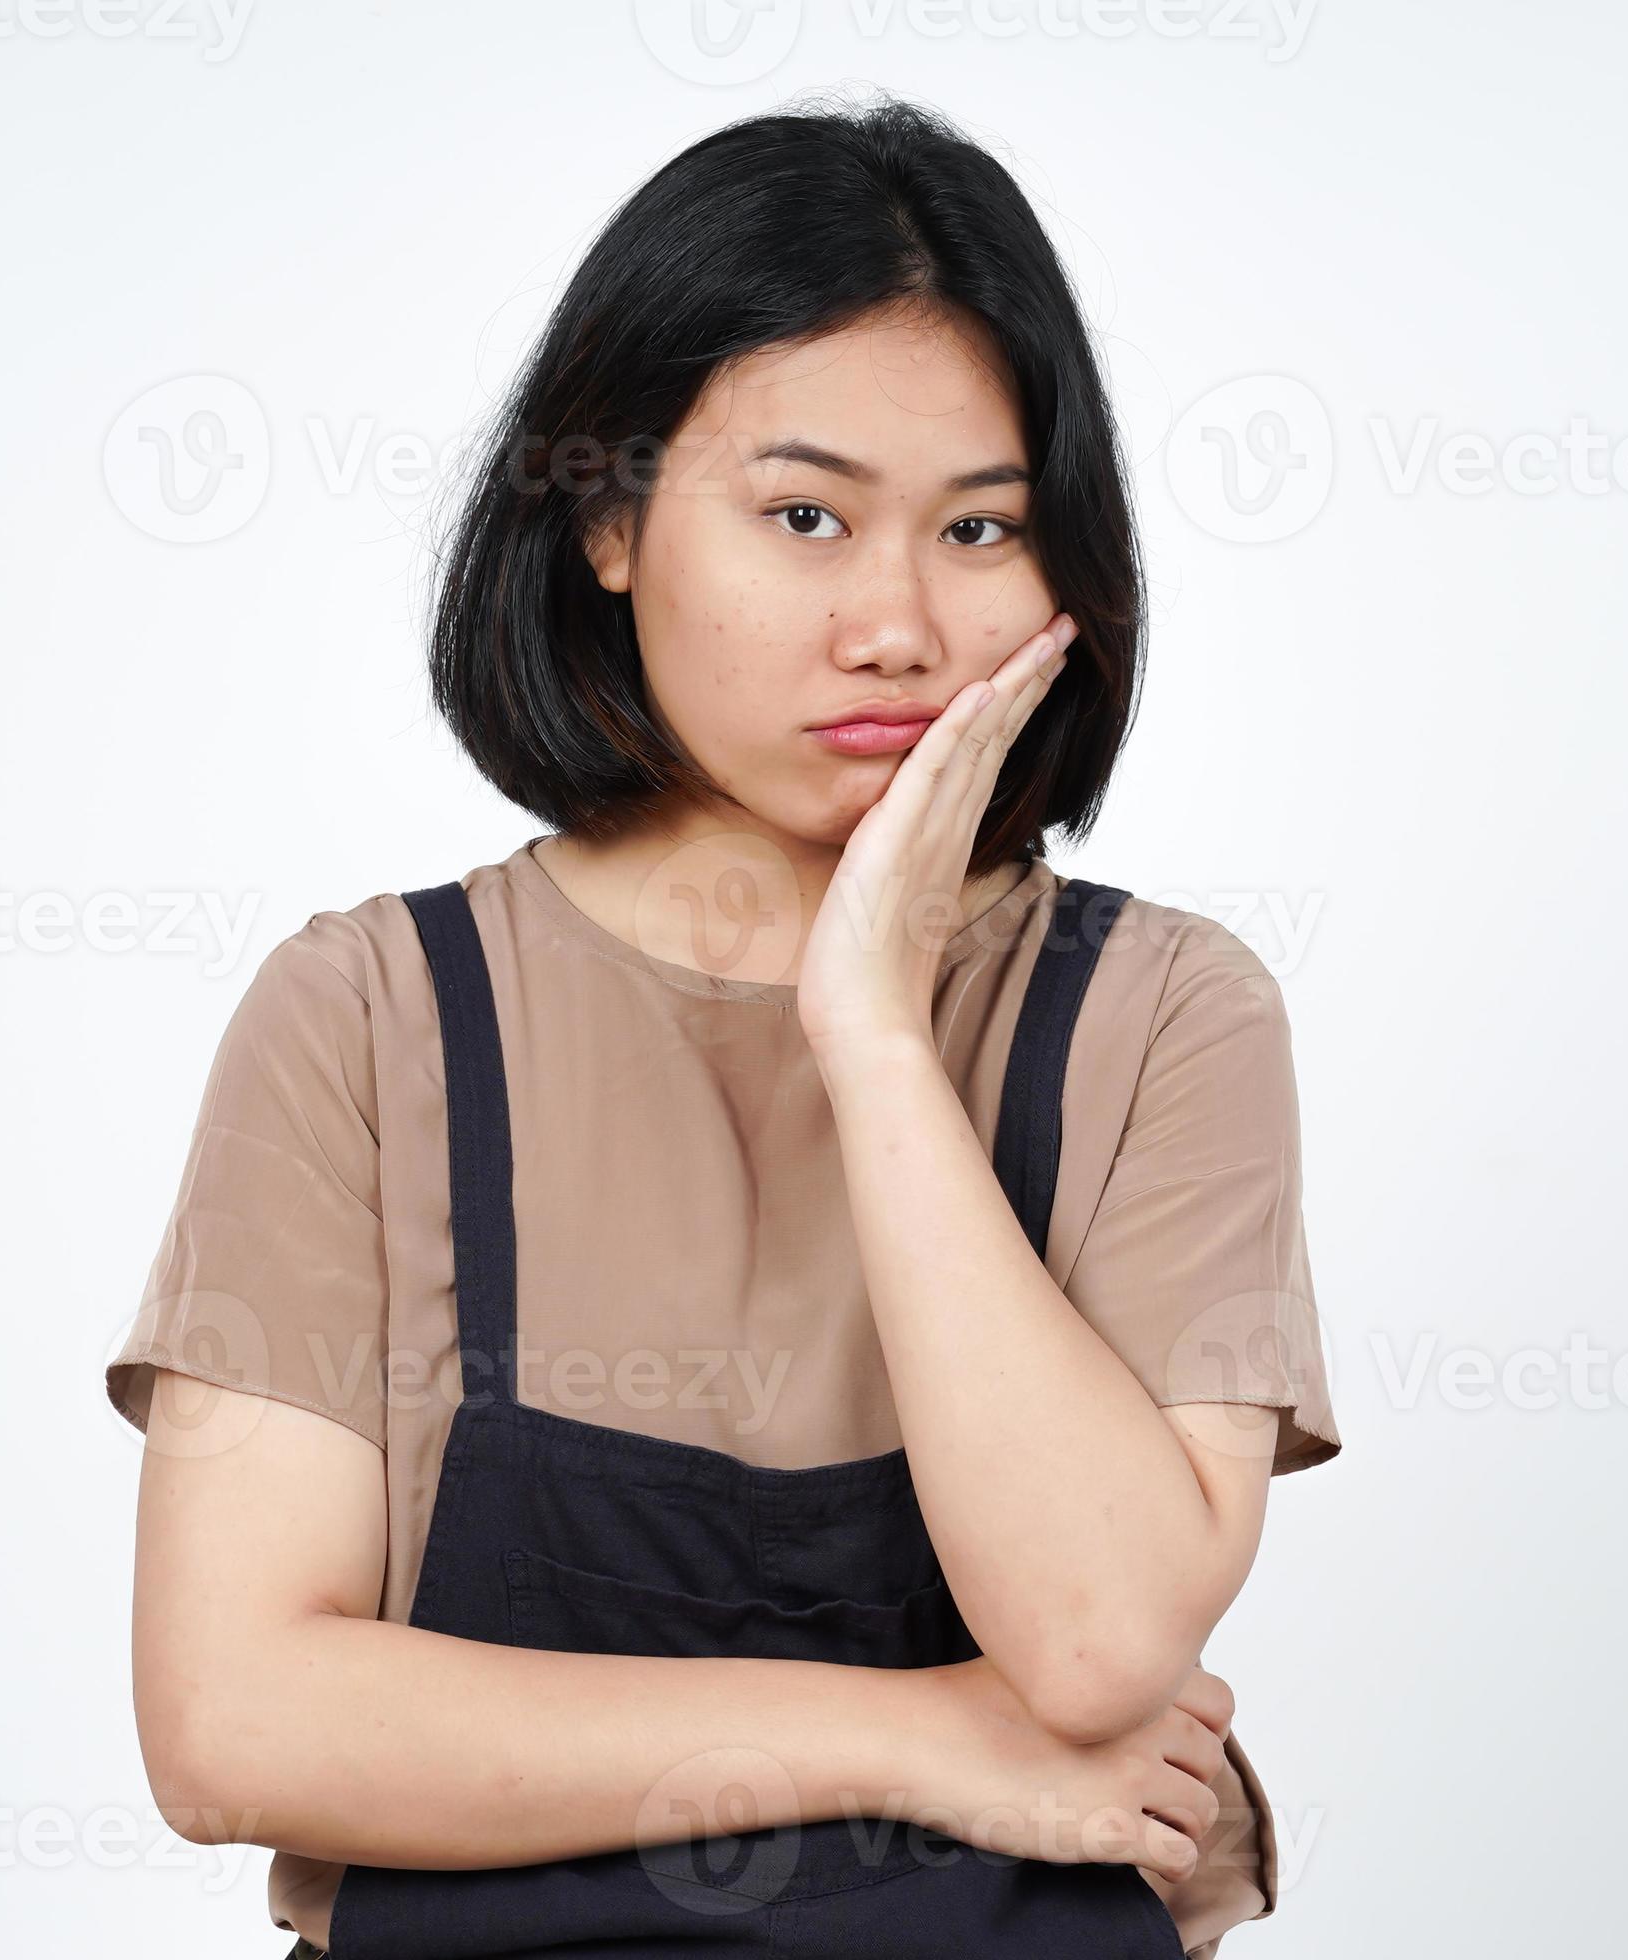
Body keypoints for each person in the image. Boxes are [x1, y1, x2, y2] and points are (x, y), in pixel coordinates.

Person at [106, 94, 1342, 1960]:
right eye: (804, 515)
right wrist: (924, 1743)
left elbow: (1095, 1638)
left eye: (982, 528)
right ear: (607, 518)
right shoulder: (369, 1019)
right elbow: (234, 1727)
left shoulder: (1164, 1018)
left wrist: (871, 1025)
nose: (898, 625)